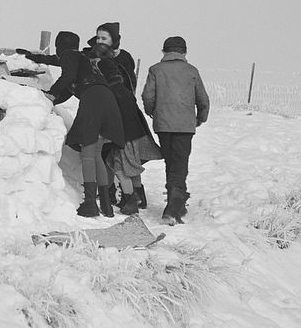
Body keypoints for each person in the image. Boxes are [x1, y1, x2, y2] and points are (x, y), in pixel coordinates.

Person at [43, 31, 124, 218]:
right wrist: (54, 98)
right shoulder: (84, 60)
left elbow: (68, 77)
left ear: (59, 46)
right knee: (96, 154)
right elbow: (71, 87)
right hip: (107, 98)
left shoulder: (69, 56)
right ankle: (106, 206)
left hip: (93, 99)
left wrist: (51, 95)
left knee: (88, 153)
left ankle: (90, 204)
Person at [141, 36, 210, 225]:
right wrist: (200, 118)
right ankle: (173, 206)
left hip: (163, 124)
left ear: (164, 51)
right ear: (185, 52)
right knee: (180, 162)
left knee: (171, 162)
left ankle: (177, 203)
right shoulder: (192, 71)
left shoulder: (155, 70)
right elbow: (203, 99)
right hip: (185, 126)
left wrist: (153, 112)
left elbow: (147, 96)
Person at [88, 43, 163, 215]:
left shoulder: (110, 93)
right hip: (135, 134)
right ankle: (139, 197)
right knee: (132, 168)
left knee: (122, 170)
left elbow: (112, 118)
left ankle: (130, 202)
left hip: (124, 137)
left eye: (94, 65)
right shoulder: (123, 89)